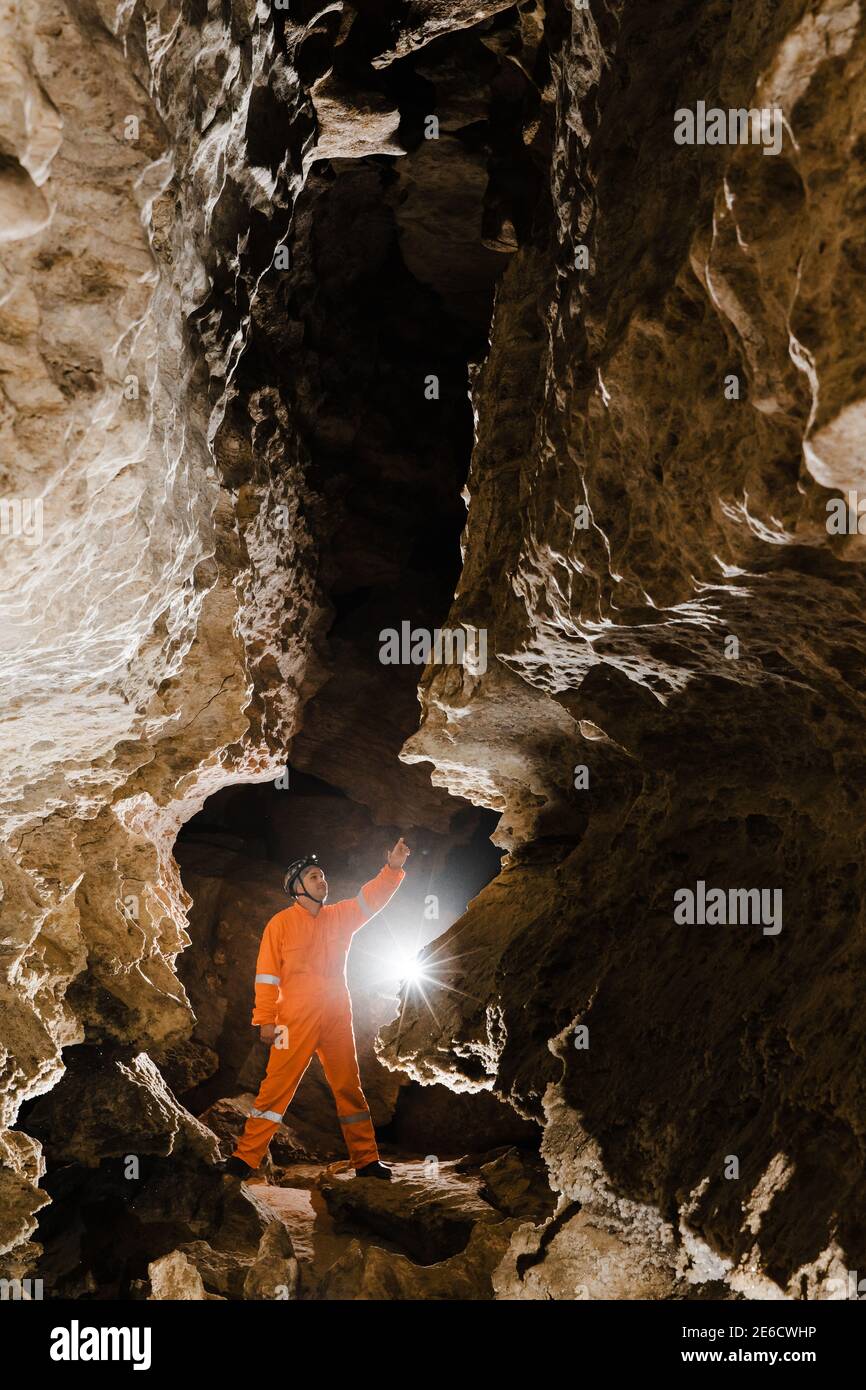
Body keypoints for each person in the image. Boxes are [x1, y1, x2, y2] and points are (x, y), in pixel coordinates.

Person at [222, 837, 410, 1181]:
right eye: (313, 877)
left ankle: (366, 1160)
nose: (322, 881)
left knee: (349, 1088)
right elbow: (266, 976)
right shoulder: (280, 924)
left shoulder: (339, 916)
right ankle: (245, 1158)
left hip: (337, 1018)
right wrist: (265, 1020)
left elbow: (372, 900)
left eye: (323, 876)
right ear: (297, 888)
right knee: (275, 1089)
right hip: (291, 1023)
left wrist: (393, 868)